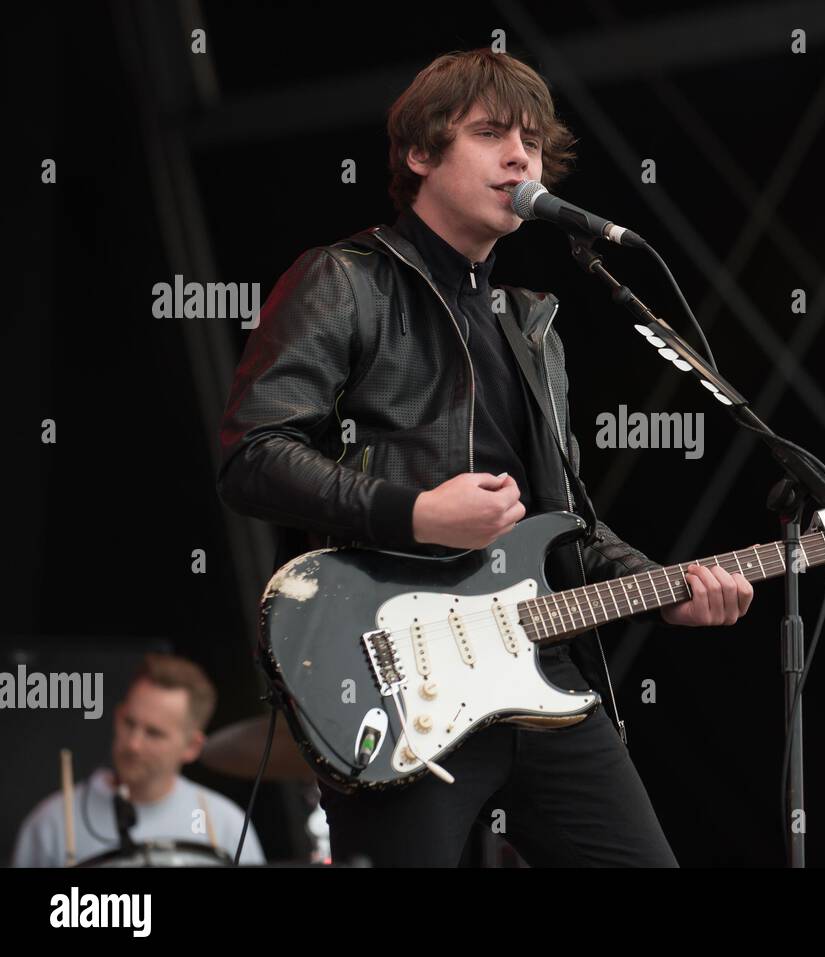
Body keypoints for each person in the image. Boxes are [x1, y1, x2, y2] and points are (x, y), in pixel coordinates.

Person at [216, 48, 753, 867]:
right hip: (399, 683)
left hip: (543, 679)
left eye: (533, 144)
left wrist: (667, 589)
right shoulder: (344, 279)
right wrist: (417, 511)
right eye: (492, 133)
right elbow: (253, 454)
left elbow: (565, 525)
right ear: (421, 155)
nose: (521, 158)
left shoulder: (530, 325)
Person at [12, 653, 264, 867]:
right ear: (117, 715)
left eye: (154, 733)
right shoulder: (52, 822)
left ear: (191, 747)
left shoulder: (224, 824)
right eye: (129, 723)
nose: (133, 744)